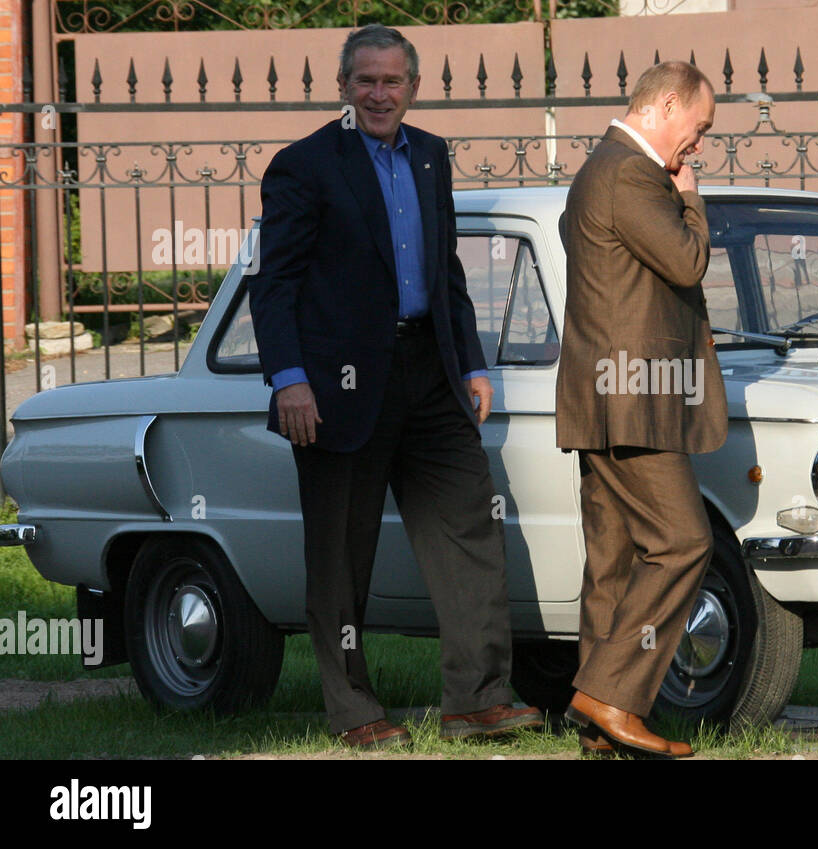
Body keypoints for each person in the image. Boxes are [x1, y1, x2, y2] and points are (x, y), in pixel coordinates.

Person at [246, 23, 540, 749]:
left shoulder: (433, 158)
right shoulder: (303, 166)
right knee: (341, 560)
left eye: (393, 80)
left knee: (470, 533)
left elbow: (448, 275)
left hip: (430, 379)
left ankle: (477, 699)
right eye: (366, 80)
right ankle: (353, 709)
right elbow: (272, 284)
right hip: (334, 391)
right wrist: (289, 380)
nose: (380, 93)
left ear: (414, 86)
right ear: (344, 86)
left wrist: (471, 363)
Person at [555, 61, 726, 758]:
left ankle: (598, 721)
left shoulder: (603, 169)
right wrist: (691, 199)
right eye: (700, 126)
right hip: (633, 398)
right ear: (664, 105)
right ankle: (612, 695)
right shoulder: (630, 173)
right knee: (685, 541)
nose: (700, 145)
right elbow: (686, 262)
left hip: (611, 395)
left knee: (615, 561)